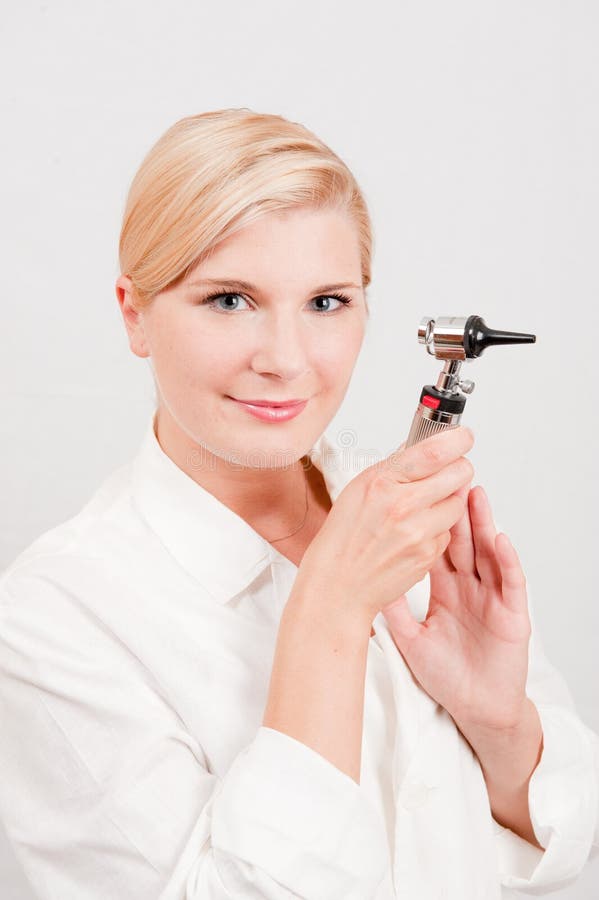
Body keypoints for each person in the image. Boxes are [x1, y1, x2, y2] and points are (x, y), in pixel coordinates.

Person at [0, 108, 597, 900]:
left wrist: (497, 722)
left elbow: (567, 832)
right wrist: (329, 612)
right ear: (134, 313)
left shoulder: (403, 516)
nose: (285, 360)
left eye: (325, 303)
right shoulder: (54, 618)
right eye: (229, 300)